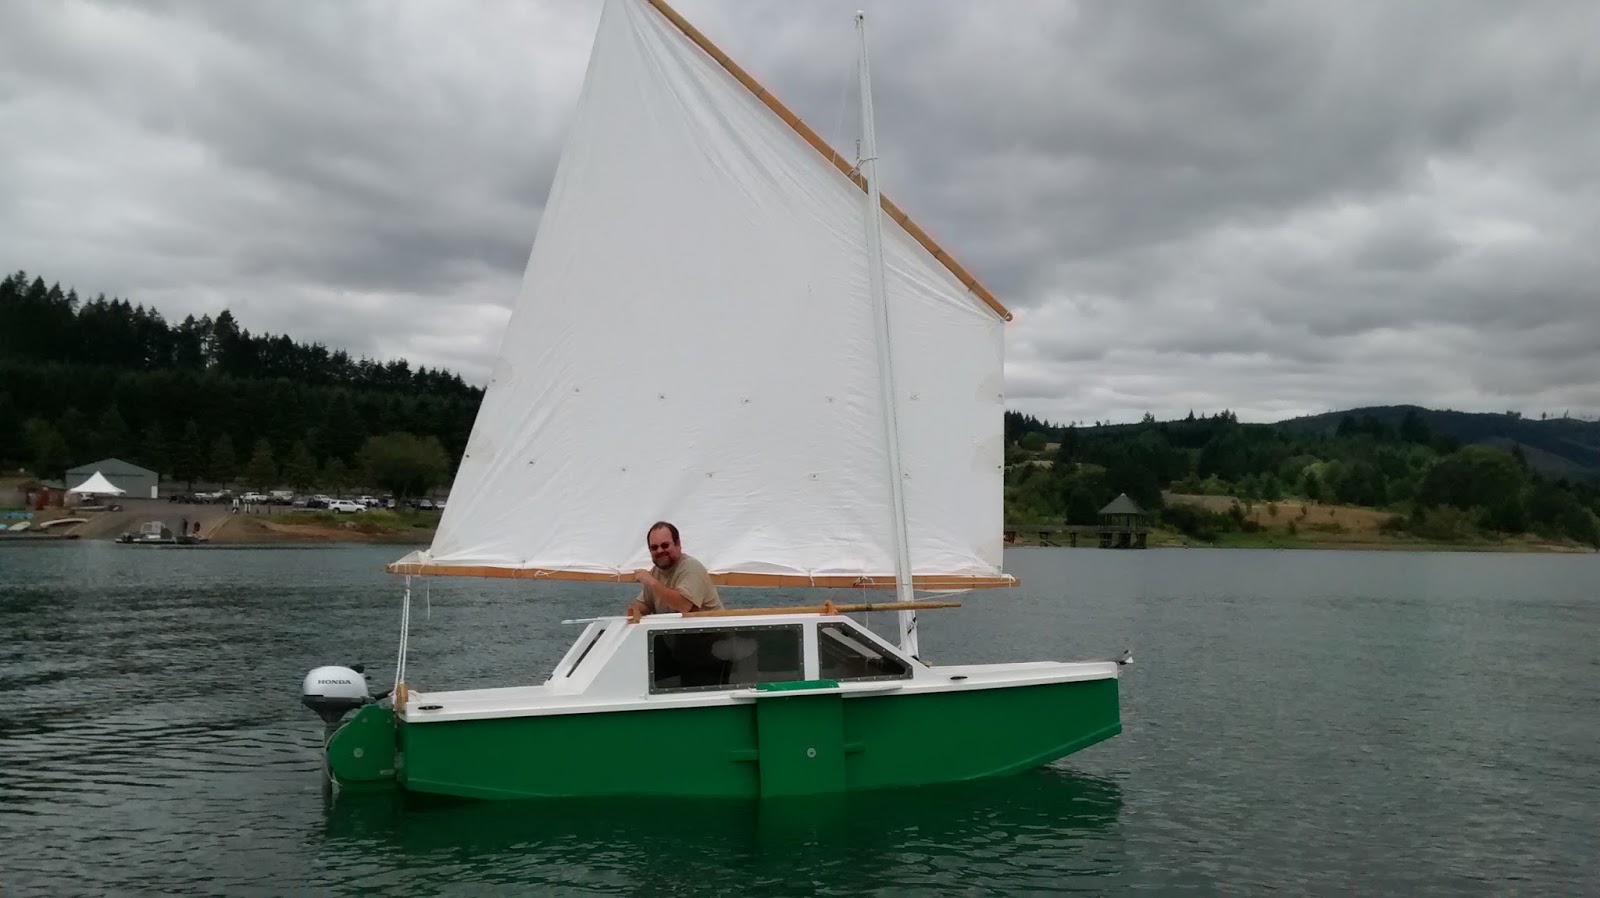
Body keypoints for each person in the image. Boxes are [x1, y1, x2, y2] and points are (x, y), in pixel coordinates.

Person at [623, 521, 722, 617]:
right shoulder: (655, 572)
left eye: (665, 545)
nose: (660, 550)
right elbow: (645, 604)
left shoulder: (691, 567)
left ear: (678, 544)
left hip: (712, 632)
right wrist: (634, 610)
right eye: (654, 547)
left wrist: (652, 582)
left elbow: (683, 605)